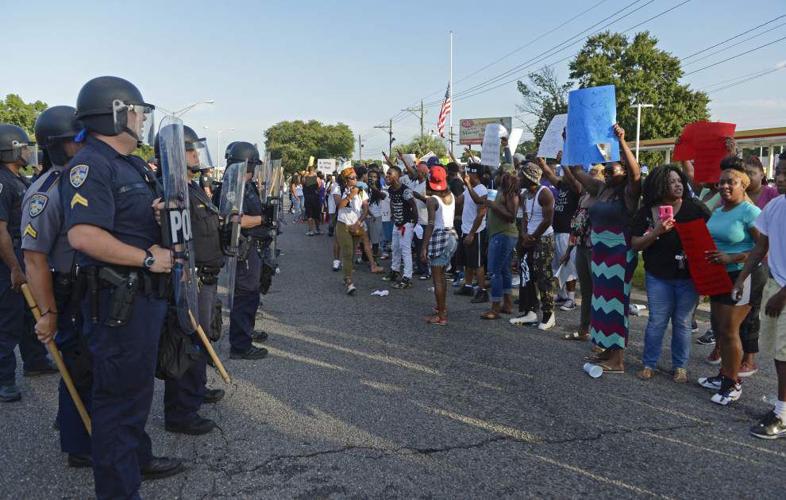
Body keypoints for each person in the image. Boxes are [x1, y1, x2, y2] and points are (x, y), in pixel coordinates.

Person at [61, 76, 182, 498]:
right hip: (118, 303)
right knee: (118, 404)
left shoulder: (129, 163)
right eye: (137, 111)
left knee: (134, 394)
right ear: (115, 113)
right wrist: (147, 258)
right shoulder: (90, 164)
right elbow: (84, 237)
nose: (141, 120)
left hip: (142, 300)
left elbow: (126, 221)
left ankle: (137, 459)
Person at [20, 106, 89, 467]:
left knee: (93, 365)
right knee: (76, 366)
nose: (86, 144)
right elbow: (34, 259)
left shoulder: (85, 179)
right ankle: (79, 446)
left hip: (91, 287)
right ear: (59, 145)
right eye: (79, 139)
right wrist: (48, 313)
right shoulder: (45, 192)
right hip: (67, 290)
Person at [161, 125, 225, 435]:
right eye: (191, 149)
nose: (197, 155)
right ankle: (181, 412)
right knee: (187, 342)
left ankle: (196, 391)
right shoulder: (172, 191)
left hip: (205, 278)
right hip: (190, 279)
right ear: (176, 154)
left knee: (200, 340)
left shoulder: (194, 187)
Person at [569, 124, 641, 372]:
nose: (609, 172)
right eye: (607, 169)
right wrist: (573, 142)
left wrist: (622, 141)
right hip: (599, 253)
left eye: (614, 169)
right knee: (602, 304)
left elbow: (635, 174)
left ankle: (618, 359)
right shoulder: (601, 189)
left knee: (616, 304)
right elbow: (576, 170)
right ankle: (607, 350)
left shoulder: (628, 194)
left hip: (619, 255)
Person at [631, 165, 710, 383]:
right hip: (658, 276)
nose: (678, 185)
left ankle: (680, 367)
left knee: (683, 323)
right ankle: (649, 364)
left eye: (679, 180)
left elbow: (712, 237)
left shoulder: (695, 208)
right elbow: (635, 244)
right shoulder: (648, 211)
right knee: (656, 321)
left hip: (688, 278)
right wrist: (656, 232)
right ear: (659, 186)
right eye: (671, 181)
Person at [0, 123, 57, 405]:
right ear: (10, 149)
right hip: (7, 261)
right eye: (23, 147)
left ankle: (35, 360)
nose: (27, 152)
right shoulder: (2, 182)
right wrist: (14, 267)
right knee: (7, 320)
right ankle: (4, 379)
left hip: (22, 256)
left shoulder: (19, 180)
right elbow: (0, 231)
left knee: (28, 314)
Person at [698, 165, 761, 405]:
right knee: (718, 327)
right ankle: (724, 374)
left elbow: (761, 249)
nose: (724, 186)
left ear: (743, 185)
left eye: (730, 182)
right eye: (720, 182)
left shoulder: (751, 212)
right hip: (718, 276)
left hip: (742, 276)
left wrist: (731, 257)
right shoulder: (720, 210)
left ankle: (733, 383)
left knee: (729, 330)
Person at [734, 167, 786, 438]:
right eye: (778, 171)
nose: (779, 178)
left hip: (783, 291)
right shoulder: (775, 206)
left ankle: (782, 414)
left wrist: (782, 294)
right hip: (775, 284)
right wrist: (741, 278)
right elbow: (760, 247)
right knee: (778, 354)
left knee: (784, 356)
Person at [226, 142, 269, 360]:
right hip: (242, 248)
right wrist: (262, 219)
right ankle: (240, 345)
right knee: (244, 295)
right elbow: (234, 219)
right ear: (247, 164)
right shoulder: (233, 186)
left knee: (252, 294)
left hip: (253, 246)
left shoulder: (247, 185)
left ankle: (247, 331)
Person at [560, 164, 604, 342]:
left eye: (594, 173)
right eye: (589, 173)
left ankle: (600, 333)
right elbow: (576, 227)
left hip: (596, 249)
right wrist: (568, 250)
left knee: (599, 292)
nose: (589, 176)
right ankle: (583, 329)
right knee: (586, 291)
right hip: (581, 247)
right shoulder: (584, 196)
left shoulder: (601, 196)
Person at [510, 162, 557, 330]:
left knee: (544, 277)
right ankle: (529, 311)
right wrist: (523, 234)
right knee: (526, 274)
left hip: (543, 239)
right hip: (528, 238)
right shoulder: (525, 194)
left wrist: (534, 236)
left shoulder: (545, 194)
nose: (519, 178)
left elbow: (547, 220)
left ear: (530, 178)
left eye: (522, 176)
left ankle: (548, 314)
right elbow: (524, 216)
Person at [538, 156, 581, 311]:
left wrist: (564, 161)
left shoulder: (577, 188)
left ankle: (571, 298)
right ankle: (562, 294)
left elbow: (569, 175)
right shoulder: (563, 186)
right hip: (557, 230)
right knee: (557, 265)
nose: (563, 175)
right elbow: (550, 176)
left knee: (568, 266)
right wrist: (542, 164)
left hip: (567, 232)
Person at [419, 166, 458, 325]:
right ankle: (442, 308)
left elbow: (430, 225)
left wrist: (424, 247)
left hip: (439, 237)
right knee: (441, 276)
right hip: (452, 236)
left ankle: (441, 316)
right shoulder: (451, 195)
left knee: (437, 280)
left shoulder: (432, 200)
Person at [480, 165, 520, 320]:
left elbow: (511, 216)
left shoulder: (511, 194)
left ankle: (495, 308)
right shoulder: (500, 191)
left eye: (500, 173)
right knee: (504, 271)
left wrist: (494, 206)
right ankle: (507, 304)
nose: (496, 176)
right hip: (498, 235)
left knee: (495, 271)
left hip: (504, 235)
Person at [454, 163, 489, 303]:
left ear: (476, 175)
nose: (467, 175)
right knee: (467, 262)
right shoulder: (468, 189)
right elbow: (458, 201)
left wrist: (472, 233)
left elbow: (481, 214)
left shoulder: (482, 190)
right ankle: (468, 286)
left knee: (478, 263)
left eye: (470, 174)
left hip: (477, 231)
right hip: (465, 229)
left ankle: (482, 291)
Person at [383, 164, 417, 289]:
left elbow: (413, 205)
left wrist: (414, 223)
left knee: (405, 250)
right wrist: (393, 214)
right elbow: (392, 201)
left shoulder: (405, 190)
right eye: (387, 174)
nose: (386, 176)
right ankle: (395, 270)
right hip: (397, 223)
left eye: (389, 174)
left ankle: (407, 277)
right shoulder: (391, 189)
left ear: (397, 176)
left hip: (406, 224)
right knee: (395, 247)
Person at [335, 166, 367, 294]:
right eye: (352, 178)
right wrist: (350, 196)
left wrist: (359, 222)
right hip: (343, 224)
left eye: (356, 177)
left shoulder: (361, 191)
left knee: (352, 253)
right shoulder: (339, 189)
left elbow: (365, 209)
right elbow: (339, 205)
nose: (355, 180)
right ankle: (349, 282)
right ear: (345, 179)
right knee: (347, 251)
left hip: (356, 225)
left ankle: (346, 275)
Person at [367, 168, 386, 259]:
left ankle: (374, 259)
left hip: (375, 216)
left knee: (375, 240)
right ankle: (365, 257)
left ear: (378, 179)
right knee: (365, 239)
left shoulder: (379, 188)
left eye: (374, 177)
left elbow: (383, 196)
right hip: (364, 216)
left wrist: (373, 188)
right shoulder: (363, 187)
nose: (372, 178)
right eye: (370, 176)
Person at [303, 166, 321, 236]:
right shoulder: (317, 178)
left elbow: (303, 183)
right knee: (316, 214)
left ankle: (311, 231)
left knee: (309, 214)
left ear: (308, 170)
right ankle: (317, 229)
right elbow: (319, 187)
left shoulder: (305, 178)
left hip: (308, 198)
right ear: (314, 170)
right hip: (315, 197)